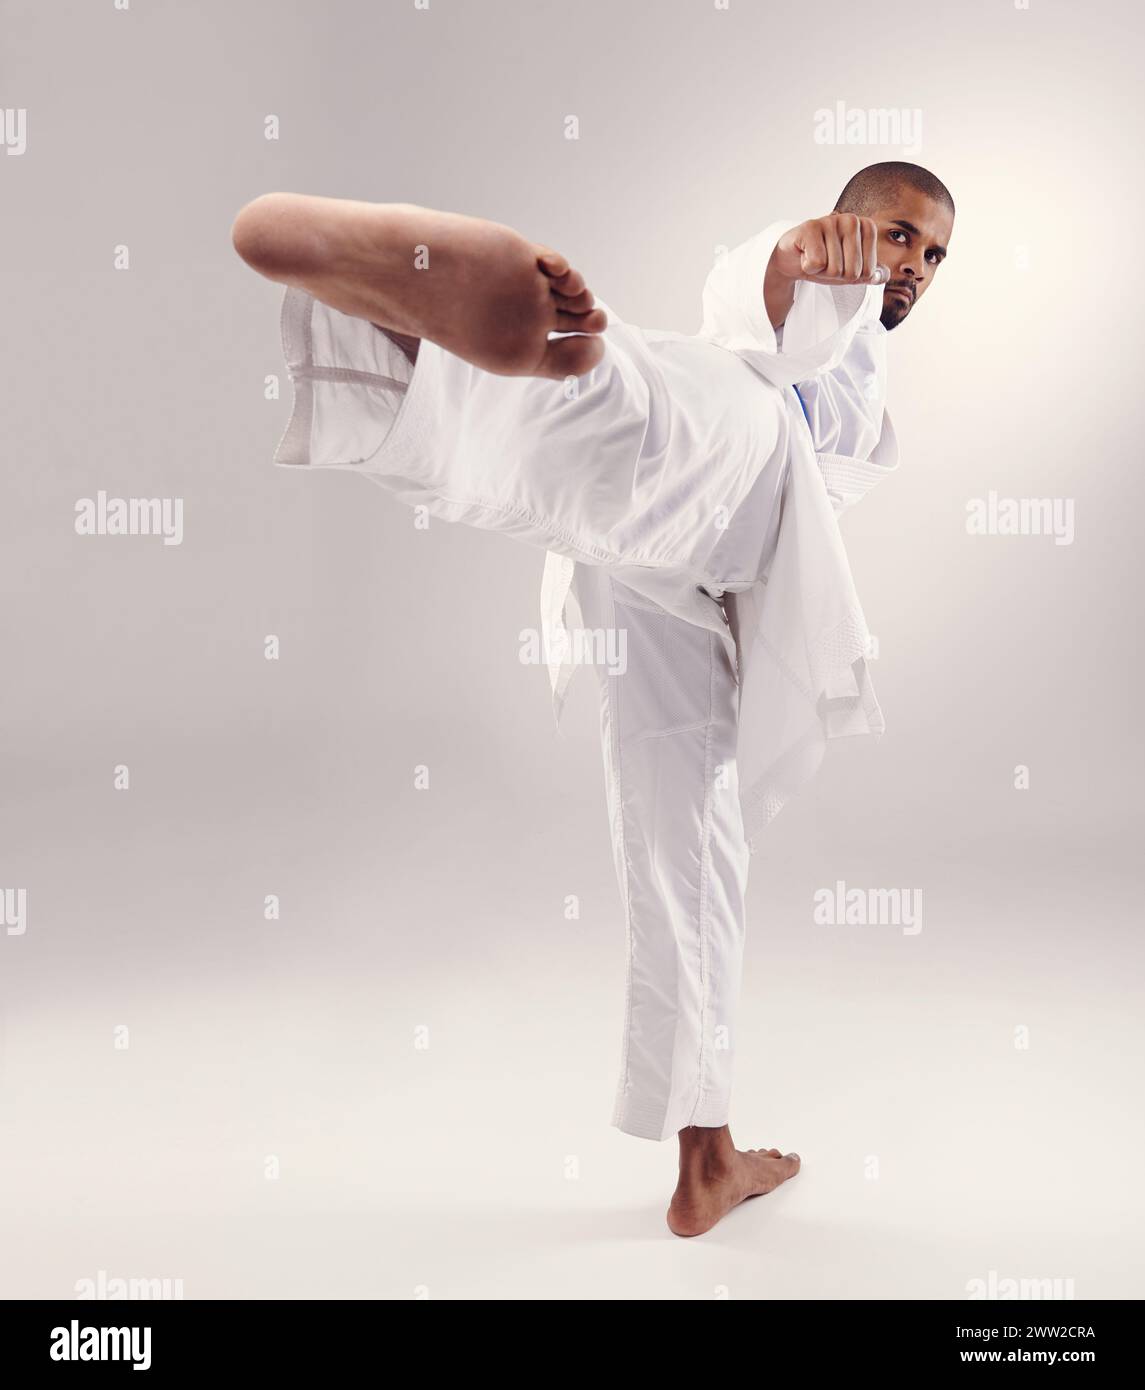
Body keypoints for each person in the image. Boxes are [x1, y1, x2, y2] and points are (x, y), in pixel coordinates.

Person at [231, 162, 954, 1237]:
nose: (913, 266)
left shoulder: (867, 373)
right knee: (634, 410)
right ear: (849, 223)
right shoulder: (827, 295)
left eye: (934, 255)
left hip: (688, 575)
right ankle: (497, 347)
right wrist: (802, 262)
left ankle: (705, 1157)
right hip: (729, 448)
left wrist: (816, 285)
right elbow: (772, 316)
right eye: (897, 235)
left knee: (684, 846)